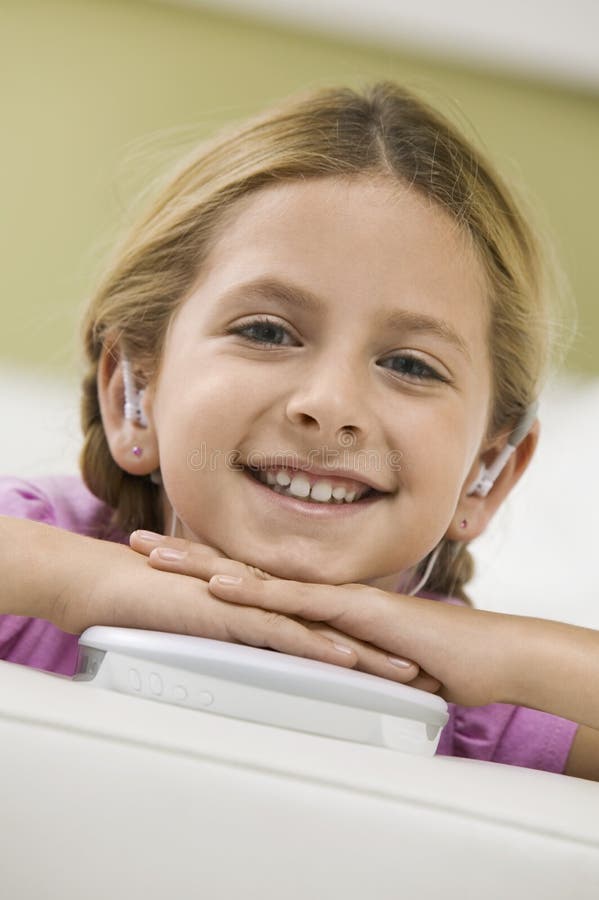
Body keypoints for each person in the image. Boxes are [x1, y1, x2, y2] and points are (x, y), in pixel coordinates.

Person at [1, 81, 598, 781]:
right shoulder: (35, 577)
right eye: (266, 330)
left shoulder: (485, 706)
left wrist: (515, 657)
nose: (330, 403)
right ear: (132, 394)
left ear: (486, 473)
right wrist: (78, 588)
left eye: (410, 364)